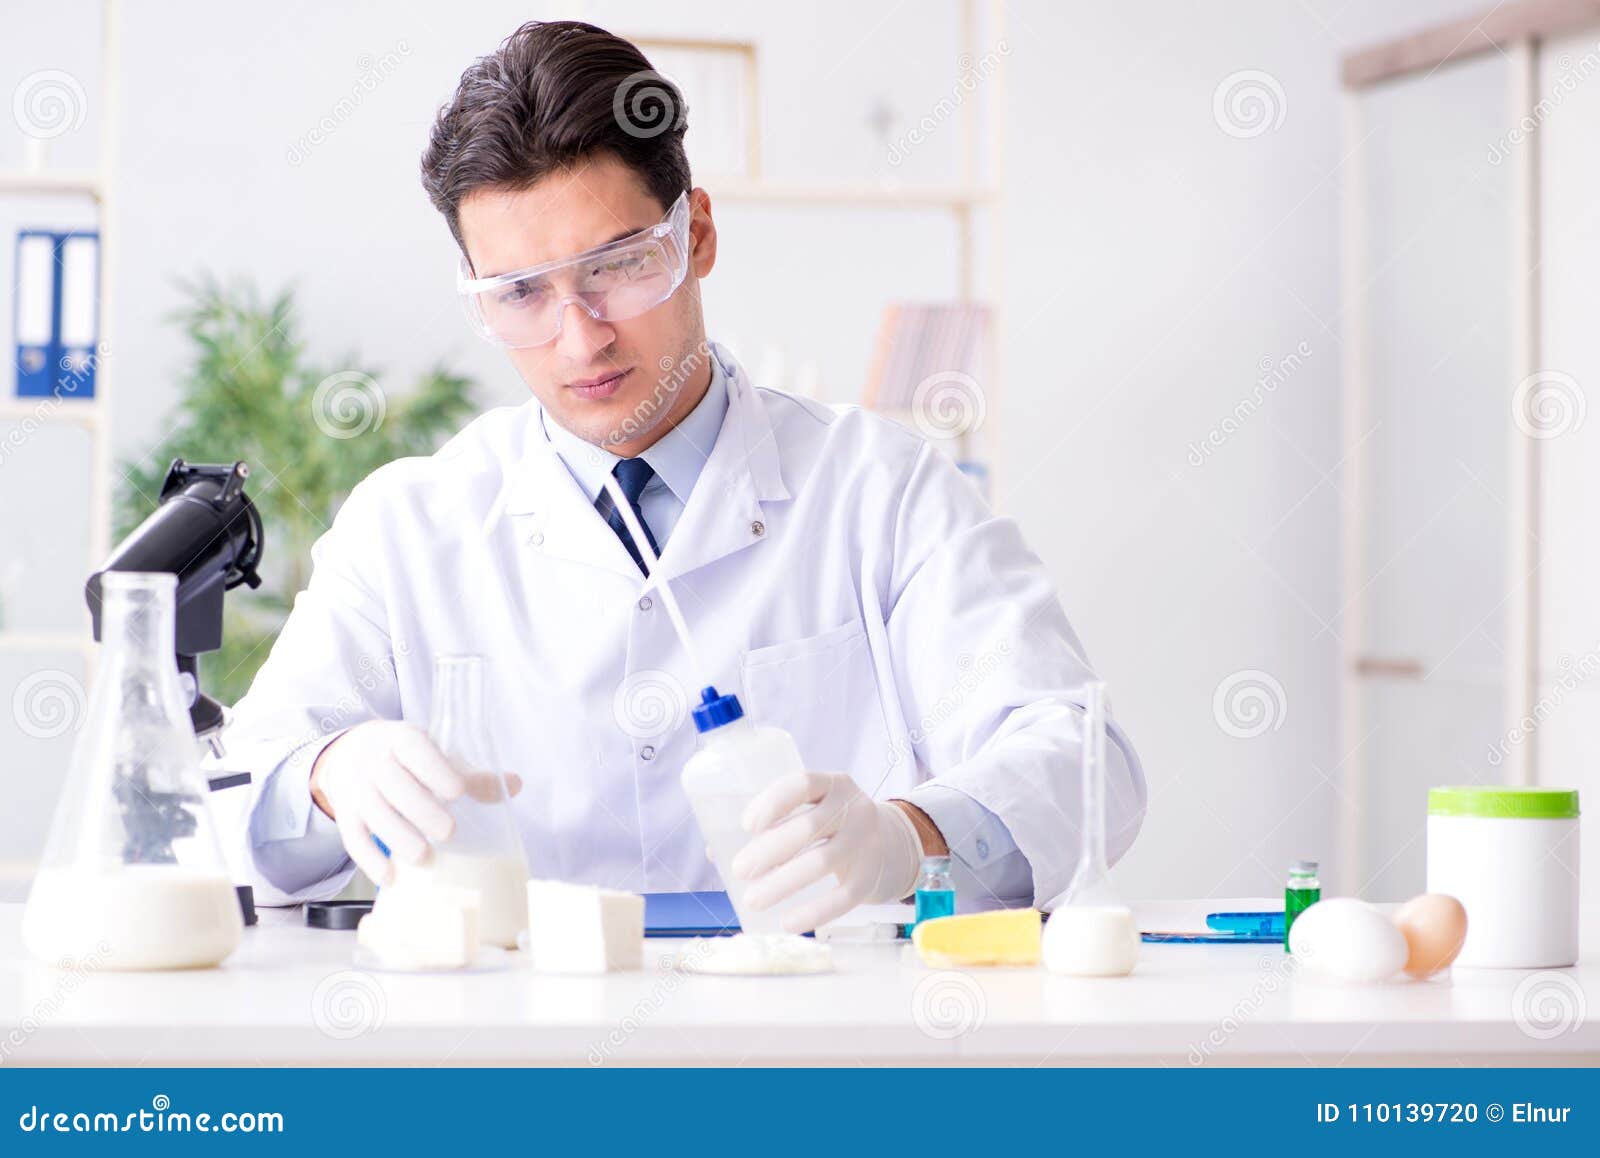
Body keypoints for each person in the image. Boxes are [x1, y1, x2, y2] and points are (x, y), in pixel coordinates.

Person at [221, 19, 1146, 932]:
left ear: (695, 235)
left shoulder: (881, 491)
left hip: (828, 1014)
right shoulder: (408, 526)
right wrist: (327, 773)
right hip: (516, 1019)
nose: (580, 339)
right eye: (522, 293)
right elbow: (232, 806)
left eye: (617, 266)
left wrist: (908, 838)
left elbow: (1082, 761)